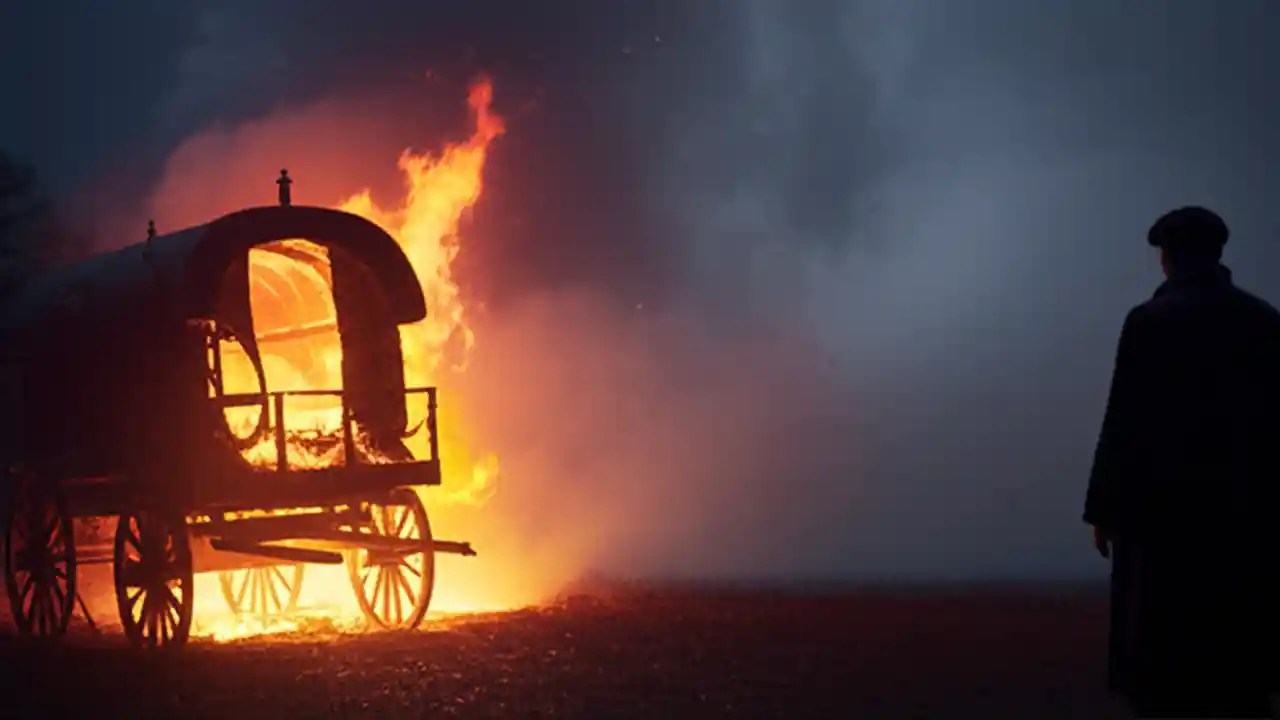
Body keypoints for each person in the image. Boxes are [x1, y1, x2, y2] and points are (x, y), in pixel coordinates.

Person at [1085, 206, 1280, 718]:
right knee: (1239, 660)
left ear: (1169, 258)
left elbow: (1122, 419)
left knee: (1159, 660)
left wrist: (1103, 507)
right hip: (1243, 511)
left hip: (1161, 516)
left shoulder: (1149, 322)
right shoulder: (1263, 321)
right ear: (1216, 254)